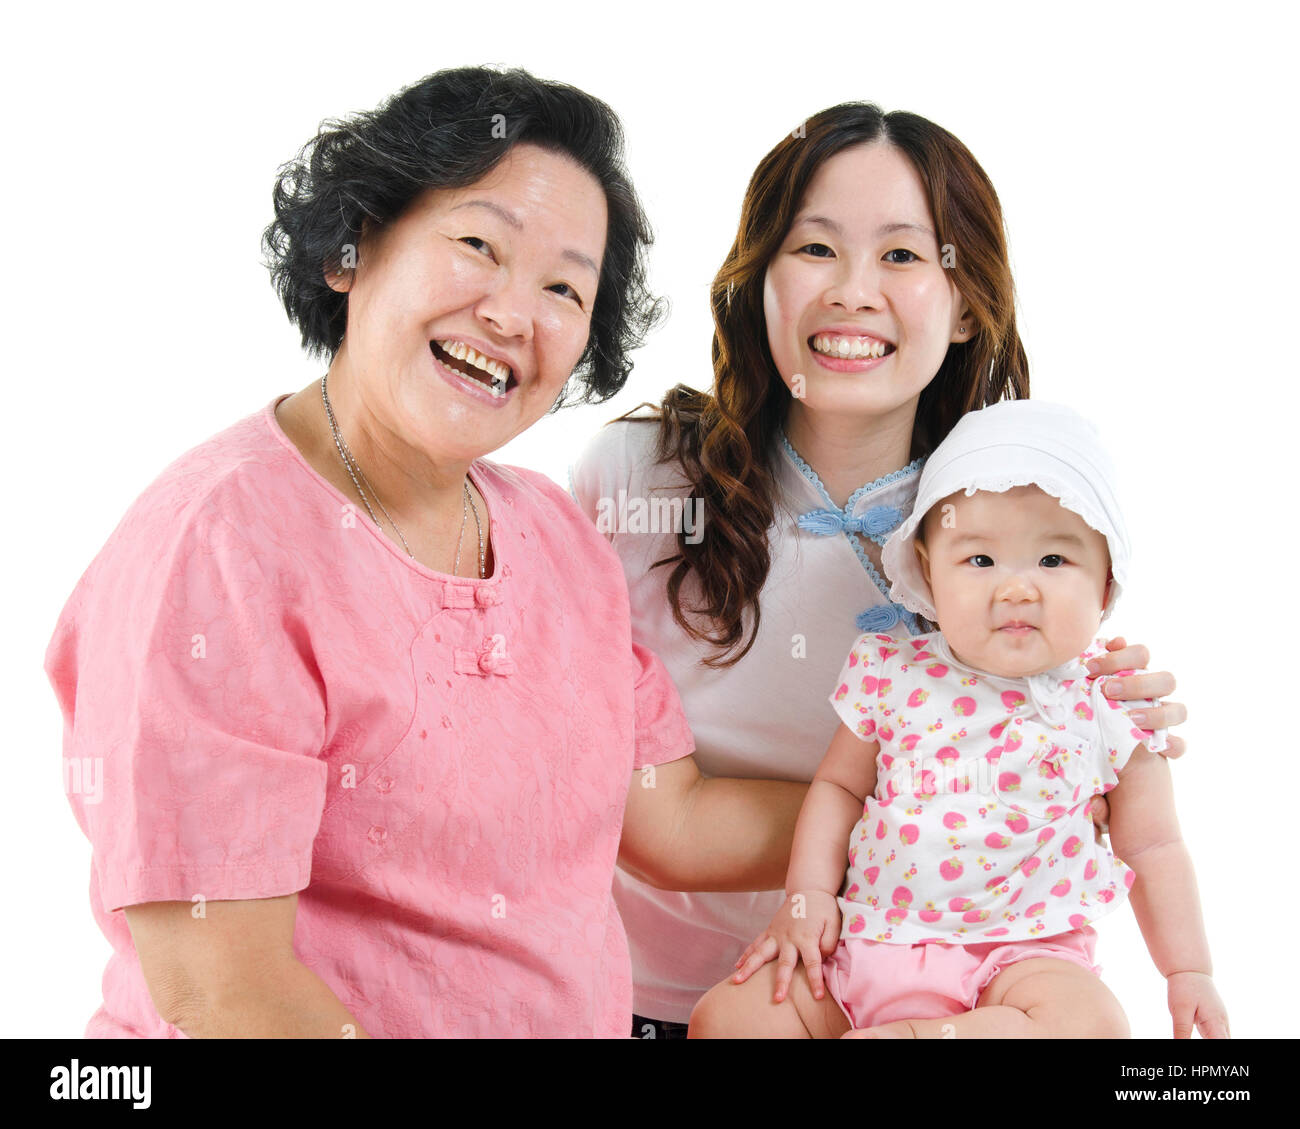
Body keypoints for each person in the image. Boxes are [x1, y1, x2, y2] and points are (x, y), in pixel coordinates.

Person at [43, 65, 783, 1039]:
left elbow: (671, 818)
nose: (515, 314)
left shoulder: (554, 536)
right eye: (479, 243)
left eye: (565, 287)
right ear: (352, 247)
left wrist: (937, 801)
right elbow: (229, 992)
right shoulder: (218, 547)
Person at [569, 103, 1189, 1038]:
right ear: (760, 279)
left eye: (903, 255)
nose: (854, 291)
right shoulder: (633, 480)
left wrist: (1087, 740)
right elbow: (620, 811)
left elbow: (1114, 783)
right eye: (814, 248)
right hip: (643, 1001)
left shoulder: (999, 521)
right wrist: (997, 800)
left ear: (969, 300)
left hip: (935, 1003)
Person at [689, 399, 1228, 1038]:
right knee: (727, 1018)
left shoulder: (1110, 702)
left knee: (1091, 1024)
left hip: (1019, 960)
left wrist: (1188, 971)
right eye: (980, 560)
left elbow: (1154, 845)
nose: (1017, 589)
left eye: (1053, 561)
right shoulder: (890, 671)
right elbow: (838, 789)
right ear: (927, 575)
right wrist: (807, 898)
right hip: (865, 941)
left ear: (1106, 585)